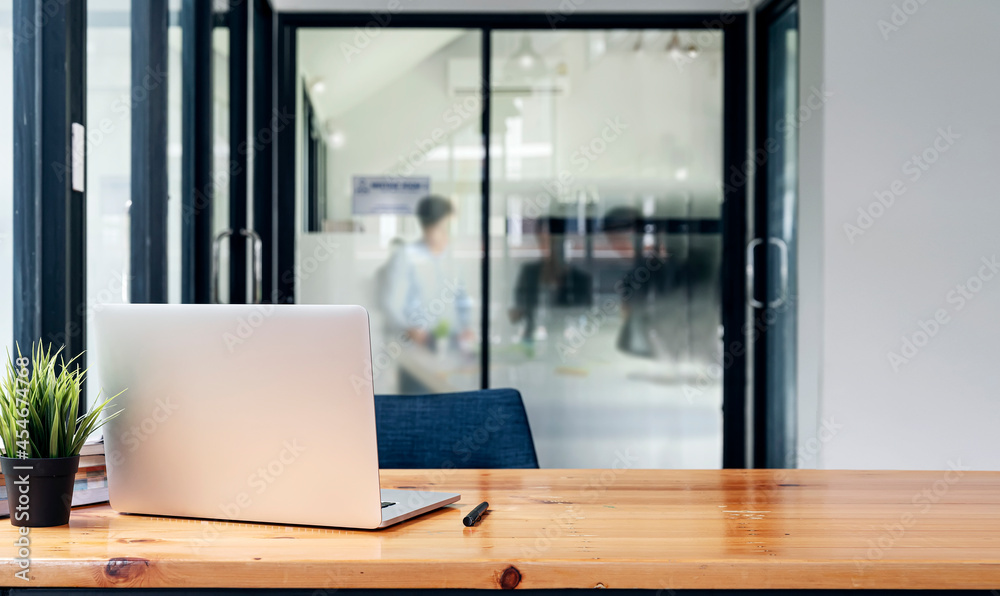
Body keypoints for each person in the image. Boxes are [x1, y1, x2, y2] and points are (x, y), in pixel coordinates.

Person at [380, 195, 474, 349]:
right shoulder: (406, 256)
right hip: (418, 344)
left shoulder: (452, 258)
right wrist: (409, 328)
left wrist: (467, 326)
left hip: (452, 342)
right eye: (442, 227)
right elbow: (392, 302)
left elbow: (462, 297)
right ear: (427, 227)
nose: (446, 234)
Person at [509, 216, 592, 342]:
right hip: (532, 343)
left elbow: (585, 318)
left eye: (551, 241)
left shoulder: (580, 280)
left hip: (567, 345)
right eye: (541, 241)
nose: (546, 247)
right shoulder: (528, 273)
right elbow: (517, 312)